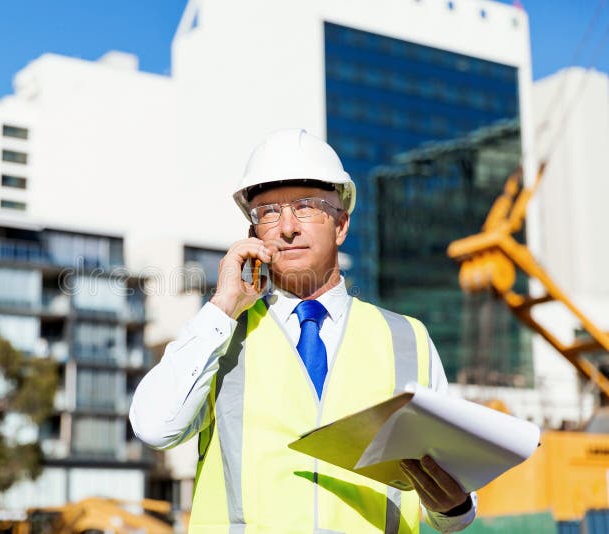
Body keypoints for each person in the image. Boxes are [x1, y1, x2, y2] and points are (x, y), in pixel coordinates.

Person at [130, 129, 476, 533]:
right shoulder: (221, 333)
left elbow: (454, 514)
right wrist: (222, 307)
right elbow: (155, 428)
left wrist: (454, 506)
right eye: (269, 212)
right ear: (253, 233)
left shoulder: (407, 339)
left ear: (342, 225)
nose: (287, 227)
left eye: (307, 207)